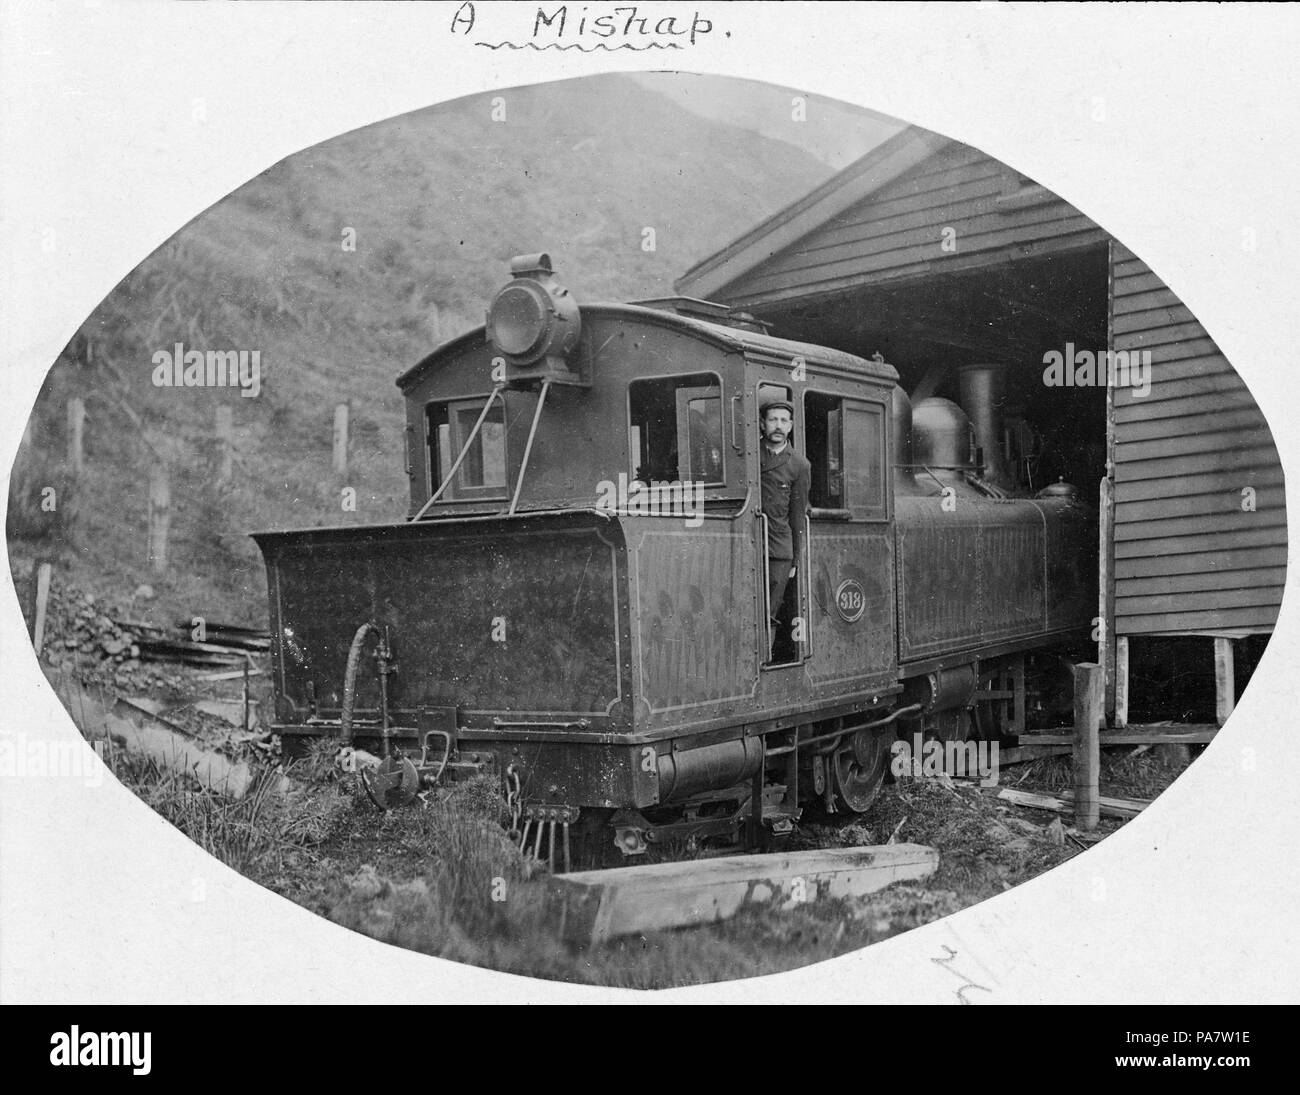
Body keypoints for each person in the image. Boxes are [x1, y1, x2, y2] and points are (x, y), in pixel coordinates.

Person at [759, 399, 810, 662]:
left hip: (779, 550)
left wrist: (795, 560)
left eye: (783, 420)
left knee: (769, 611)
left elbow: (798, 517)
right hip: (752, 543)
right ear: (762, 423)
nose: (778, 426)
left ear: (790, 426)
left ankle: (764, 662)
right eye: (772, 419)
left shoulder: (799, 465)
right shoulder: (751, 455)